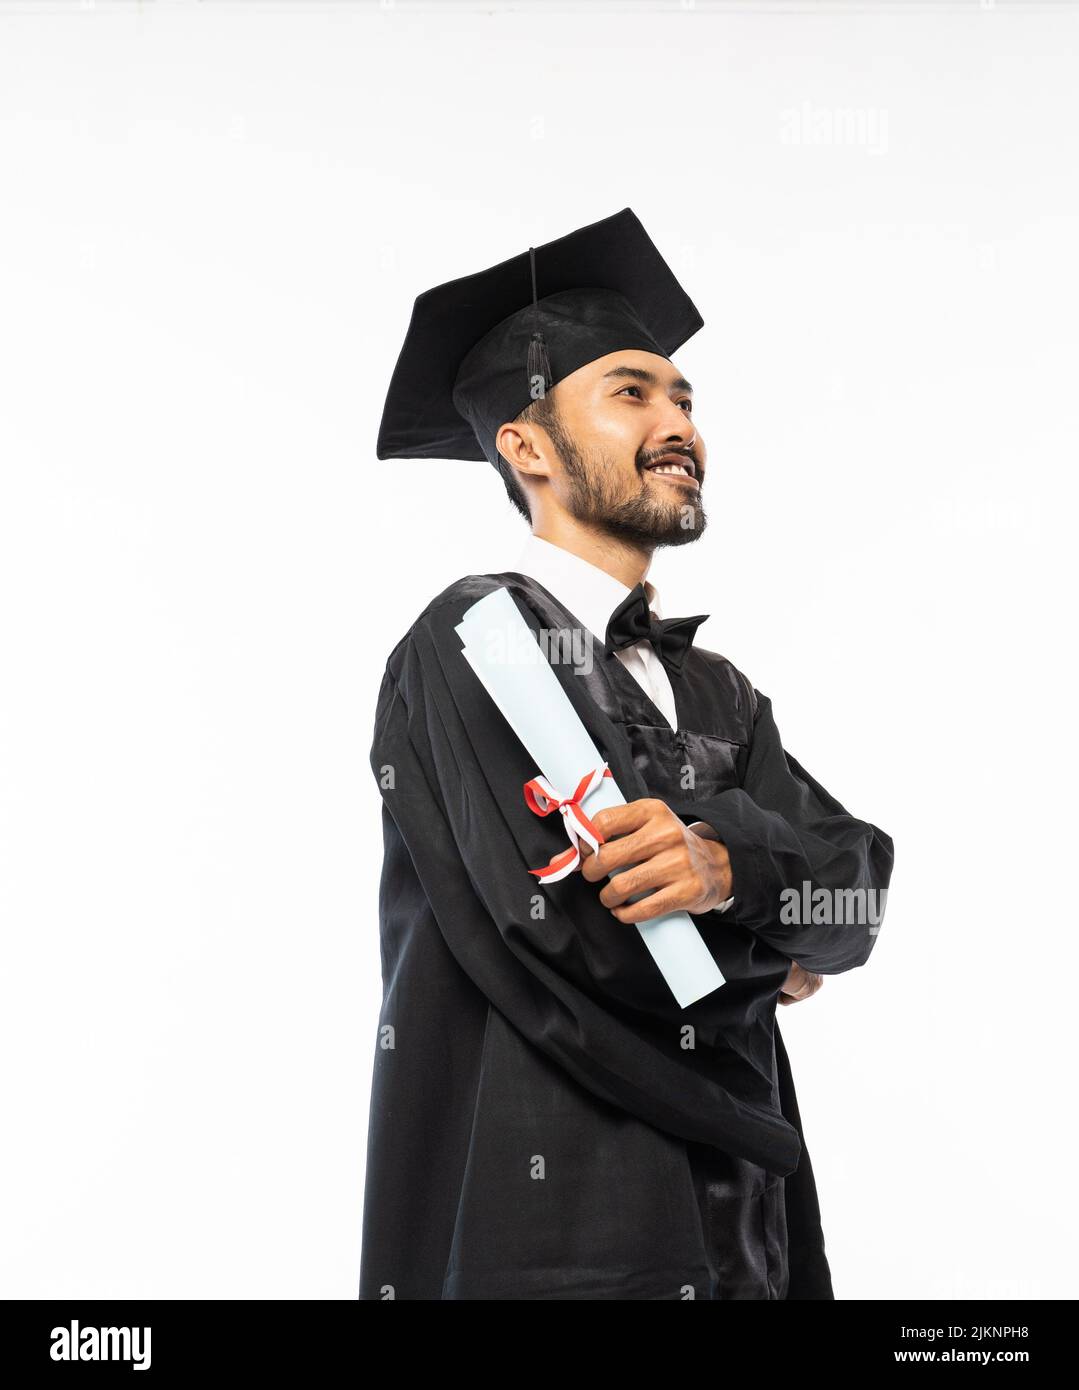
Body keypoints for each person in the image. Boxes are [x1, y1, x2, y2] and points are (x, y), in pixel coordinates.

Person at [359, 208, 894, 1300]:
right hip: (556, 1238)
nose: (677, 423)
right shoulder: (474, 640)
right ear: (526, 445)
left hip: (746, 1232)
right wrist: (769, 937)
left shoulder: (717, 690)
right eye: (631, 392)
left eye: (683, 398)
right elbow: (599, 941)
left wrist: (726, 872)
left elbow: (856, 891)